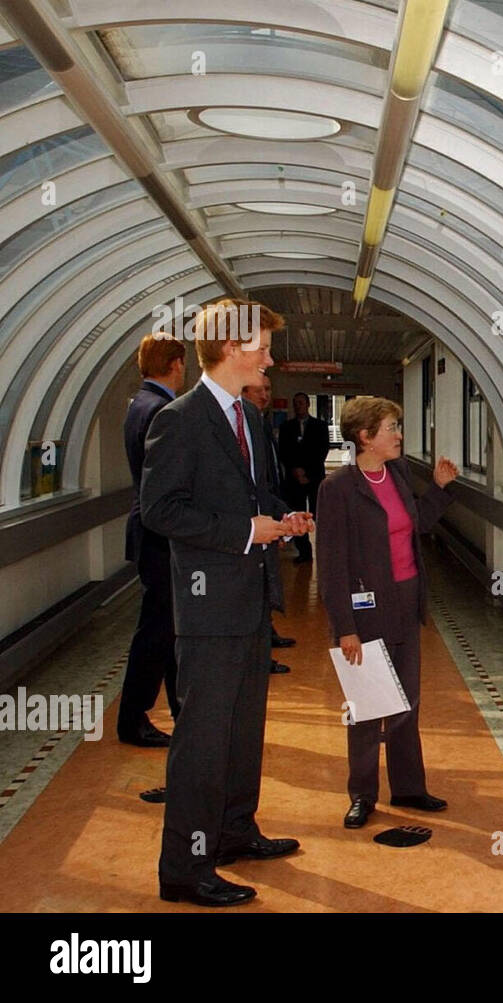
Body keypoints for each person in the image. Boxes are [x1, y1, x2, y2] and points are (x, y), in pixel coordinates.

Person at [141, 297, 312, 907]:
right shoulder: (181, 419)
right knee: (203, 743)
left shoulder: (250, 418)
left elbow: (253, 493)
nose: (270, 357)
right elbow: (160, 510)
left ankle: (236, 832)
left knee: (242, 731)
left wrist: (279, 518)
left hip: (248, 603)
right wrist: (245, 531)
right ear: (234, 348)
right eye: (263, 346)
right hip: (208, 606)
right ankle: (185, 869)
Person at [316, 397, 459, 829]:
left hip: (405, 600)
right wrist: (345, 628)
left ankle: (409, 787)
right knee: (366, 705)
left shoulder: (396, 474)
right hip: (365, 609)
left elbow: (415, 526)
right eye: (391, 428)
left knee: (406, 703)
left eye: (397, 426)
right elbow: (332, 564)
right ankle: (362, 795)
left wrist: (438, 488)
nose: (399, 435)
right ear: (365, 437)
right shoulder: (338, 488)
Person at [119, 333, 186, 747]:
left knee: (168, 627)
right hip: (160, 537)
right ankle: (134, 718)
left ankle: (182, 709)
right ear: (176, 364)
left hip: (149, 533)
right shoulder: (162, 410)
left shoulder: (138, 405)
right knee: (158, 630)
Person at [241, 376, 293, 673]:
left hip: (270, 508)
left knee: (266, 584)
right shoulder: (245, 428)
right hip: (250, 527)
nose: (265, 395)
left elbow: (267, 478)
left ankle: (266, 641)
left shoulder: (260, 424)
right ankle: (261, 652)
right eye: (258, 390)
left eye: (268, 390)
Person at [278, 391, 329, 564]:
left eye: (301, 402)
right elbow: (283, 451)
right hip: (294, 479)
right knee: (297, 514)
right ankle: (304, 553)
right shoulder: (286, 427)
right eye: (295, 403)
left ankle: (324, 552)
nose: (298, 406)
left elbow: (322, 450)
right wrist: (295, 470)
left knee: (319, 513)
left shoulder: (320, 426)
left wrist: (307, 473)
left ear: (308, 404)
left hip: (314, 477)